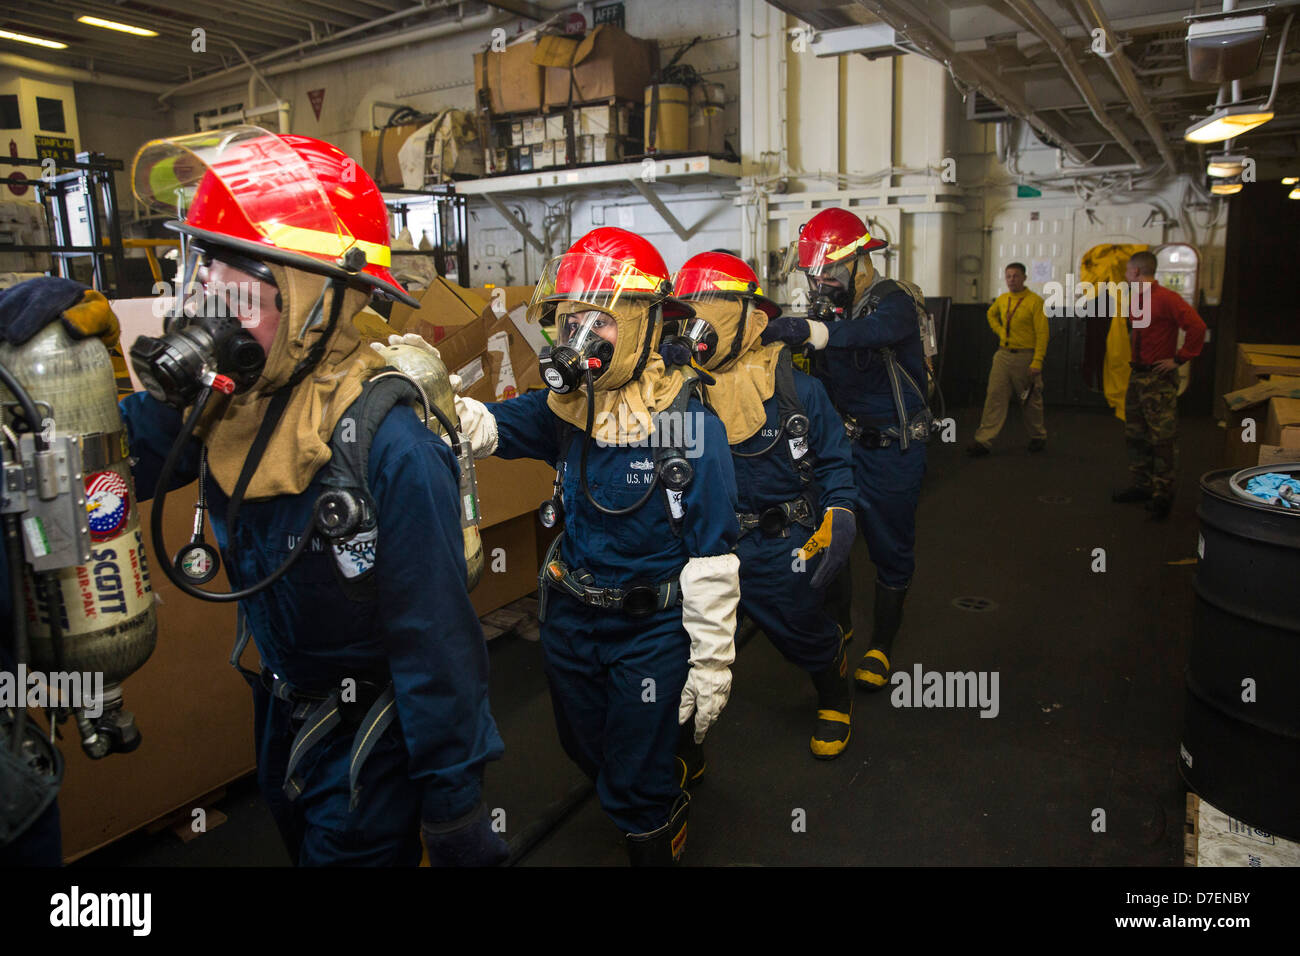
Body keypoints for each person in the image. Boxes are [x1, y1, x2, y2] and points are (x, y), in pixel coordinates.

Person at [122, 127, 505, 865]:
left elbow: (437, 640)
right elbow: (118, 459)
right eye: (201, 272)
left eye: (238, 288)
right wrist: (52, 391)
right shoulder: (223, 403)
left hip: (372, 733)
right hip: (281, 707)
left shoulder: (391, 443)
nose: (207, 307)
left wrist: (454, 805)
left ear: (315, 301)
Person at [450, 227, 741, 865]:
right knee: (585, 745)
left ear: (639, 323)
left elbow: (713, 556)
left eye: (599, 320)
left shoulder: (690, 424)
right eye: (571, 318)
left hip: (651, 627)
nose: (581, 335)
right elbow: (489, 427)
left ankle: (655, 821)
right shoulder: (568, 406)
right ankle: (657, 765)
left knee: (636, 777)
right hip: (572, 617)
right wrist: (428, 399)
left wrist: (712, 662)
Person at [664, 252, 858, 760]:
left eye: (716, 310)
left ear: (751, 318)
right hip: (700, 545)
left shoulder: (797, 389)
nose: (699, 327)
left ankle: (834, 692)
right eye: (690, 312)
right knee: (681, 652)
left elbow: (835, 461)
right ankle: (688, 747)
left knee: (803, 633)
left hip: (778, 544)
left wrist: (840, 514)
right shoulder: (674, 391)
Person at [761, 208, 930, 695]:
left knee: (889, 546)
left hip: (894, 451)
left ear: (860, 261)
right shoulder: (832, 315)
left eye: (831, 272)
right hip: (845, 447)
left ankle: (882, 646)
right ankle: (841, 623)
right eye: (816, 275)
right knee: (831, 530)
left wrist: (815, 333)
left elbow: (876, 333)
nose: (823, 283)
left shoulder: (894, 300)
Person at [1111, 250, 1207, 520]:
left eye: (1128, 272)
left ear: (1136, 272)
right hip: (1138, 376)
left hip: (1157, 378)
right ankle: (1141, 485)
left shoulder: (1166, 298)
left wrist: (1179, 359)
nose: (1126, 276)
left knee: (1162, 438)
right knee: (1135, 433)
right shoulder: (1137, 299)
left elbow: (1197, 327)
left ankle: (1163, 494)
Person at [967, 262, 1049, 456]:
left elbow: (1042, 334)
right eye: (1008, 276)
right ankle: (983, 440)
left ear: (1024, 278)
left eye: (1016, 276)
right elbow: (990, 314)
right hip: (1003, 355)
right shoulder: (1003, 299)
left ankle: (1038, 436)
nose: (1012, 280)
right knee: (994, 397)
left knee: (1030, 399)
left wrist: (1037, 361)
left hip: (1025, 357)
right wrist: (1000, 330)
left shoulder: (1035, 302)